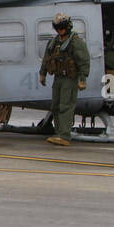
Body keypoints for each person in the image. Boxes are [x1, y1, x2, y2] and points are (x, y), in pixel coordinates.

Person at [39, 11, 90, 147]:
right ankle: (60, 132)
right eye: (57, 27)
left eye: (61, 27)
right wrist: (42, 74)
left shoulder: (75, 42)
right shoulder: (53, 42)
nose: (59, 30)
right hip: (58, 77)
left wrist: (83, 79)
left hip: (70, 78)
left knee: (65, 106)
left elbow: (83, 61)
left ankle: (64, 136)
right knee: (55, 106)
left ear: (68, 26)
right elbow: (46, 59)